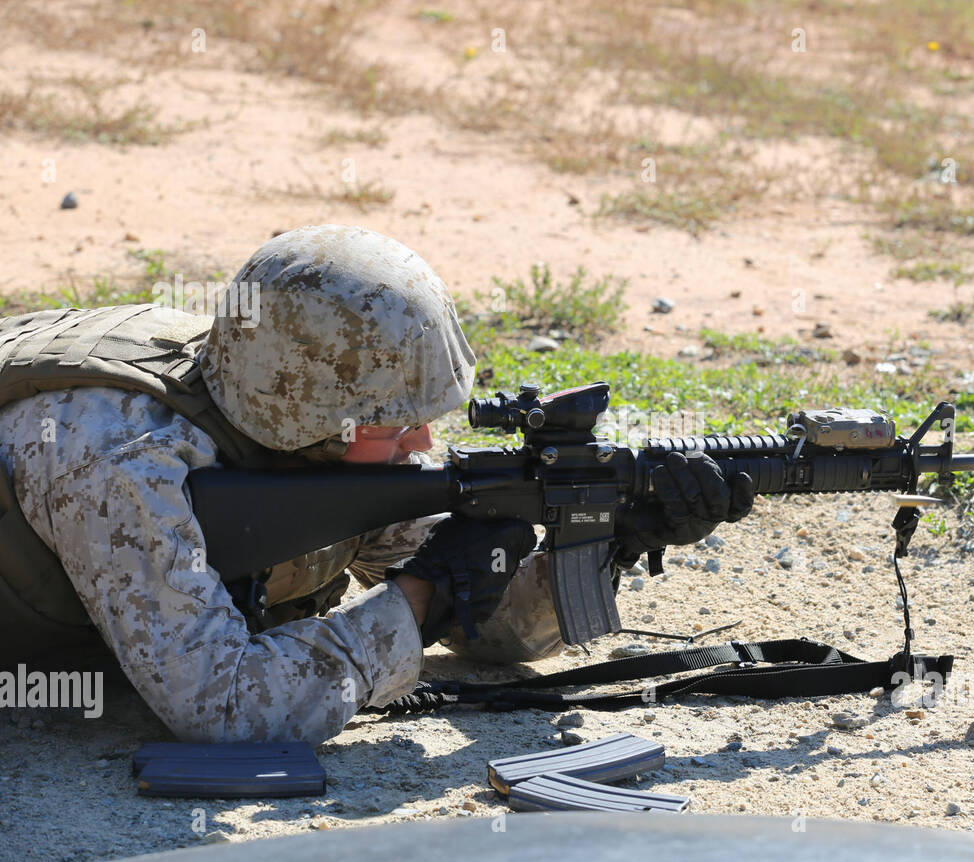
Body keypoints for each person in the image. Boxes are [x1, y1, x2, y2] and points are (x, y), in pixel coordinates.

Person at [0, 225, 752, 743]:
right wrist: (420, 601)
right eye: (397, 425)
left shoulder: (310, 426)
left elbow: (491, 630)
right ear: (314, 420)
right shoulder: (123, 460)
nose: (424, 443)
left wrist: (605, 541)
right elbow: (221, 709)